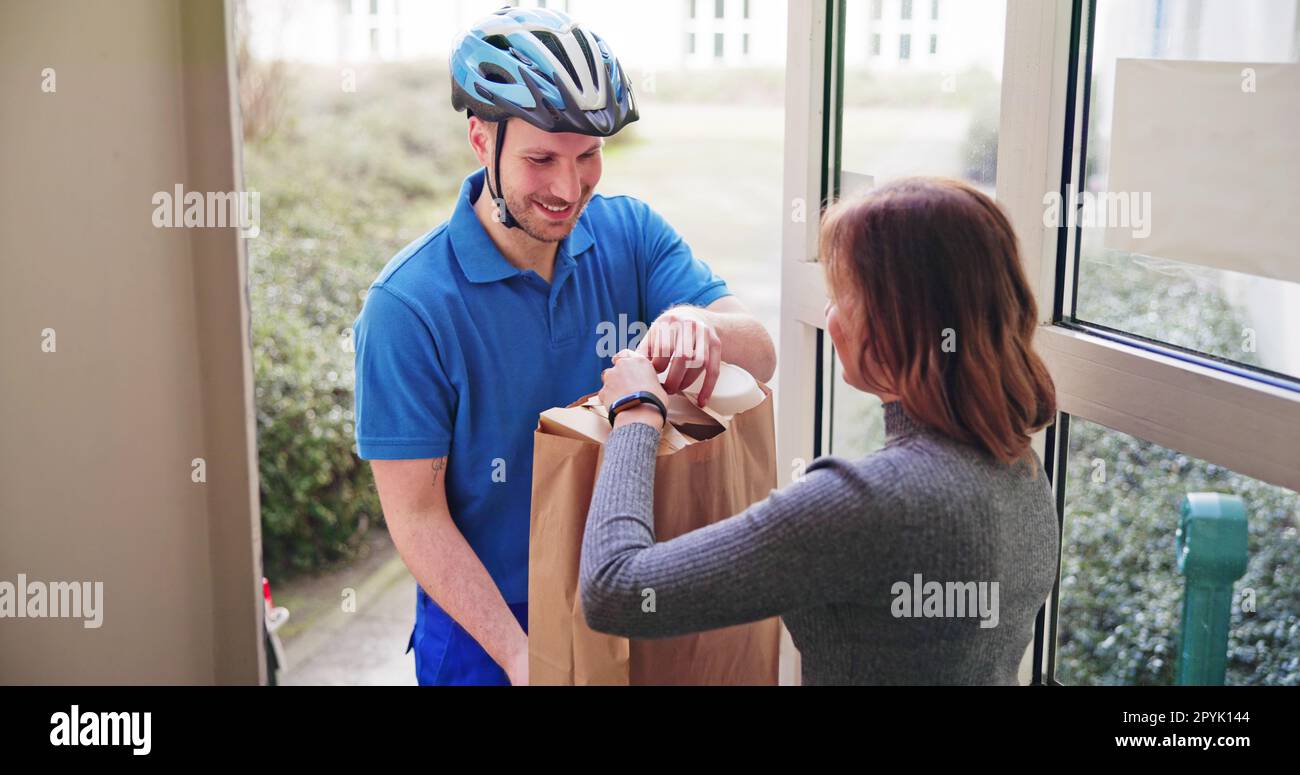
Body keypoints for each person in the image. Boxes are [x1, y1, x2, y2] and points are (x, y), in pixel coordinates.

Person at [351, 6, 775, 686]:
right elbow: (417, 516)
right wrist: (524, 657)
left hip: (628, 593)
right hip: (487, 629)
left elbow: (761, 352)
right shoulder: (408, 307)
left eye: (588, 156)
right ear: (479, 137)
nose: (568, 187)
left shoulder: (630, 233)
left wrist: (702, 324)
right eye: (541, 158)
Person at [581, 177, 1060, 685]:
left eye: (841, 296)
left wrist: (635, 414)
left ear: (888, 325)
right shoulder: (1021, 470)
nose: (830, 317)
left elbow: (616, 592)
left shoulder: (865, 504)